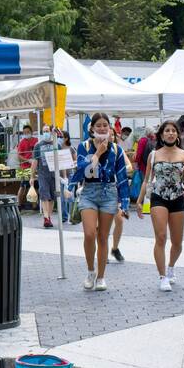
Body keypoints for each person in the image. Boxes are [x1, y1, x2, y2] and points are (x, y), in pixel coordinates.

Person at [70, 113, 130, 291]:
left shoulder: (117, 150)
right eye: (99, 126)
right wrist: (98, 153)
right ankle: (90, 271)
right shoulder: (84, 146)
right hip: (89, 191)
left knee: (103, 237)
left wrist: (124, 203)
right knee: (89, 234)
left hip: (109, 193)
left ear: (110, 128)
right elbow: (82, 171)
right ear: (92, 129)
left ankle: (101, 277)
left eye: (106, 125)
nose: (103, 128)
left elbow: (121, 178)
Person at [143, 119, 184, 292]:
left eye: (173, 130)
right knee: (161, 236)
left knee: (177, 243)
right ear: (161, 134)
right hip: (159, 197)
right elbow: (146, 179)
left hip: (177, 198)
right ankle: (162, 276)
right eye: (167, 130)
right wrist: (141, 199)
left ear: (178, 135)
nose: (170, 133)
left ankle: (171, 267)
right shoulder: (154, 154)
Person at [108, 128, 134, 262]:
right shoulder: (95, 149)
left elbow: (129, 166)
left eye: (113, 135)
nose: (111, 137)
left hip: (116, 190)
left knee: (119, 220)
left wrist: (118, 170)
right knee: (99, 225)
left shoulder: (118, 149)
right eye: (109, 134)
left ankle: (115, 248)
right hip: (100, 190)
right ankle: (102, 248)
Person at [32, 125, 60, 228]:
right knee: (44, 195)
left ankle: (49, 216)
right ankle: (46, 217)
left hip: (54, 174)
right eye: (44, 131)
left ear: (52, 132)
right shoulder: (38, 145)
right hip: (43, 173)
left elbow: (61, 160)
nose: (46, 133)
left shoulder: (57, 144)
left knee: (52, 197)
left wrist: (64, 175)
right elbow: (35, 161)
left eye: (47, 131)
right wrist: (32, 176)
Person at [16, 124, 38, 210]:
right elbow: (18, 156)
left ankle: (34, 206)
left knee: (35, 186)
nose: (26, 134)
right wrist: (28, 160)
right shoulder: (22, 142)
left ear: (31, 132)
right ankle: (19, 204)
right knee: (22, 186)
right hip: (23, 168)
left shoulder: (36, 140)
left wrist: (34, 160)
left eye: (28, 132)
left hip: (35, 167)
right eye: (25, 132)